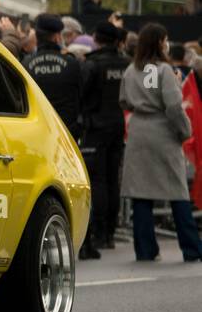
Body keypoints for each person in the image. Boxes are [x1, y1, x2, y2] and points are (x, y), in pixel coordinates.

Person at [119, 23, 202, 262]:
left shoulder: (131, 70)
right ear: (159, 43)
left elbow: (124, 100)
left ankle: (145, 249)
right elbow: (173, 105)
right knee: (177, 191)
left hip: (138, 131)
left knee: (141, 193)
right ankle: (191, 247)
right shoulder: (163, 70)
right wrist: (185, 130)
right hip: (163, 132)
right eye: (164, 40)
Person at [80, 22, 129, 255]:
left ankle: (100, 232)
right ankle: (110, 231)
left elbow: (82, 93)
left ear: (97, 39)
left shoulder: (93, 64)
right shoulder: (126, 63)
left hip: (96, 126)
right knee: (112, 178)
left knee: (98, 179)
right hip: (118, 125)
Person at [23, 13, 82, 139]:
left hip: (36, 132)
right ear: (56, 37)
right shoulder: (72, 63)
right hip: (66, 134)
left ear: (37, 37)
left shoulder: (26, 64)